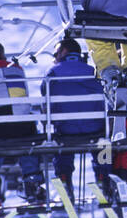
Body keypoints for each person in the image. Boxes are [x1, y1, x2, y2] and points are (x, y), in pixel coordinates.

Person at [0, 40, 43, 208]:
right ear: (1, 55)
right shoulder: (16, 70)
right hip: (20, 126)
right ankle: (31, 182)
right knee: (28, 141)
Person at [44, 36, 109, 197]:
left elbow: (46, 105)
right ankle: (103, 177)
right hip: (95, 128)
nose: (54, 59)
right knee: (103, 142)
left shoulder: (52, 74)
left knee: (61, 143)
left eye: (55, 54)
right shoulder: (94, 72)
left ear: (64, 52)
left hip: (66, 130)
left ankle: (64, 179)